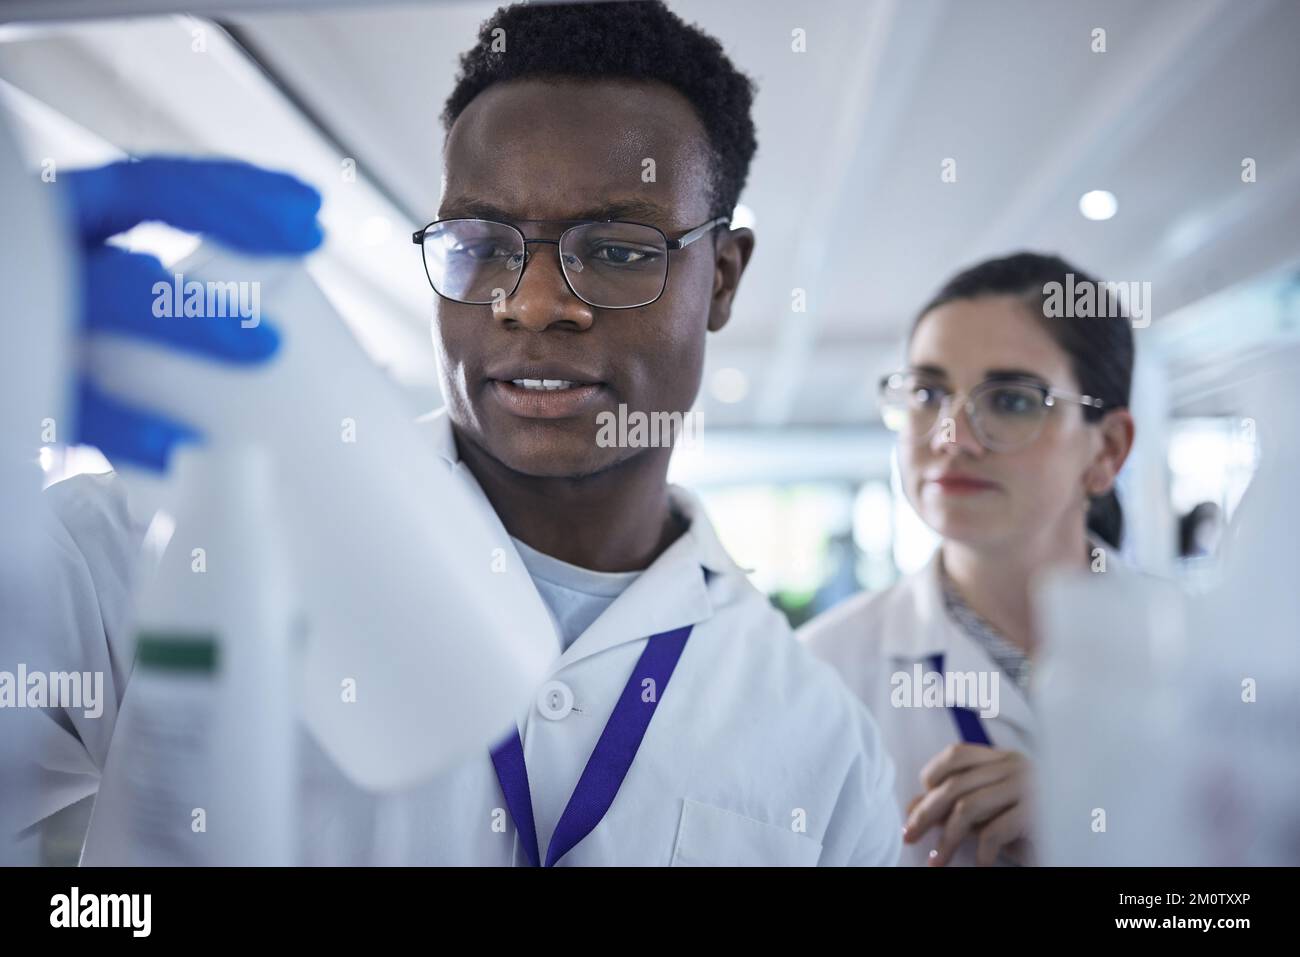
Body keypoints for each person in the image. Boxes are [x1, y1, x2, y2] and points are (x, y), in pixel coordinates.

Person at [22, 0, 900, 866]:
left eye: (619, 247)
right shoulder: (138, 548)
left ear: (723, 279)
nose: (535, 302)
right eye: (482, 242)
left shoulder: (824, 748)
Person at [801, 252, 1136, 866]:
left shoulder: (1214, 660)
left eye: (1010, 400)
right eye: (928, 393)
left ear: (1107, 450)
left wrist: (1096, 826)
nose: (950, 437)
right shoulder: (818, 673)